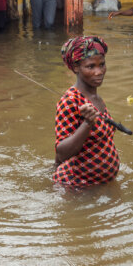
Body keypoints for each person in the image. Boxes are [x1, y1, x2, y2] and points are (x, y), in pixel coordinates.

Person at [53, 35, 119, 188]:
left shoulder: (96, 97)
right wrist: (87, 124)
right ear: (76, 67)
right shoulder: (70, 101)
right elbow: (61, 153)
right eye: (91, 67)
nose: (99, 72)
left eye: (102, 64)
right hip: (75, 186)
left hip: (97, 185)